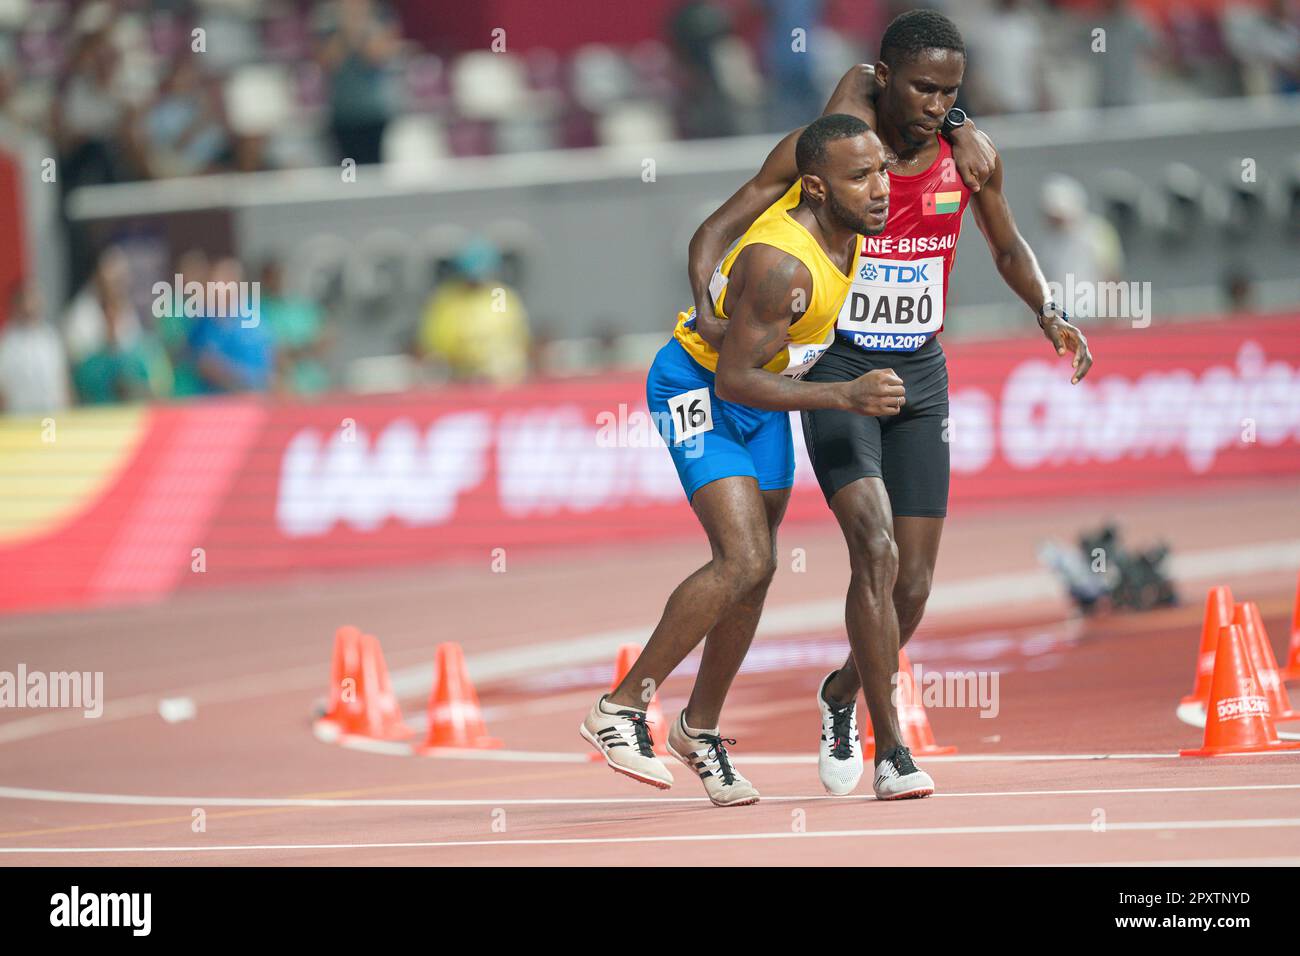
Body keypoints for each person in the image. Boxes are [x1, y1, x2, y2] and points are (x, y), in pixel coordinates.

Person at [688, 9, 1094, 800]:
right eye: (923, 88)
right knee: (872, 549)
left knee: (912, 586)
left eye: (953, 93)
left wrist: (1049, 311)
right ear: (886, 78)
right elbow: (735, 209)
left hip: (921, 378)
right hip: (838, 370)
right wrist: (706, 296)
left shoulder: (967, 160)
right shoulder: (838, 147)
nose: (938, 105)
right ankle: (892, 750)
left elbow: (1007, 245)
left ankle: (840, 694)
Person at [581, 114, 904, 807]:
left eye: (881, 170)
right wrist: (844, 392)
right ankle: (621, 708)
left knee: (755, 575)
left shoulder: (841, 219)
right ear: (816, 187)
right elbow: (730, 379)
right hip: (700, 387)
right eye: (862, 177)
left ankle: (699, 731)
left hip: (766, 397)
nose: (882, 188)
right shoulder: (783, 262)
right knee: (744, 558)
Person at [0, 284, 71, 415]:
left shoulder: (50, 338)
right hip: (18, 419)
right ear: (16, 306)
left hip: (51, 418)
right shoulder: (7, 342)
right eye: (25, 303)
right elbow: (3, 388)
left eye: (33, 302)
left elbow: (62, 380)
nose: (29, 308)